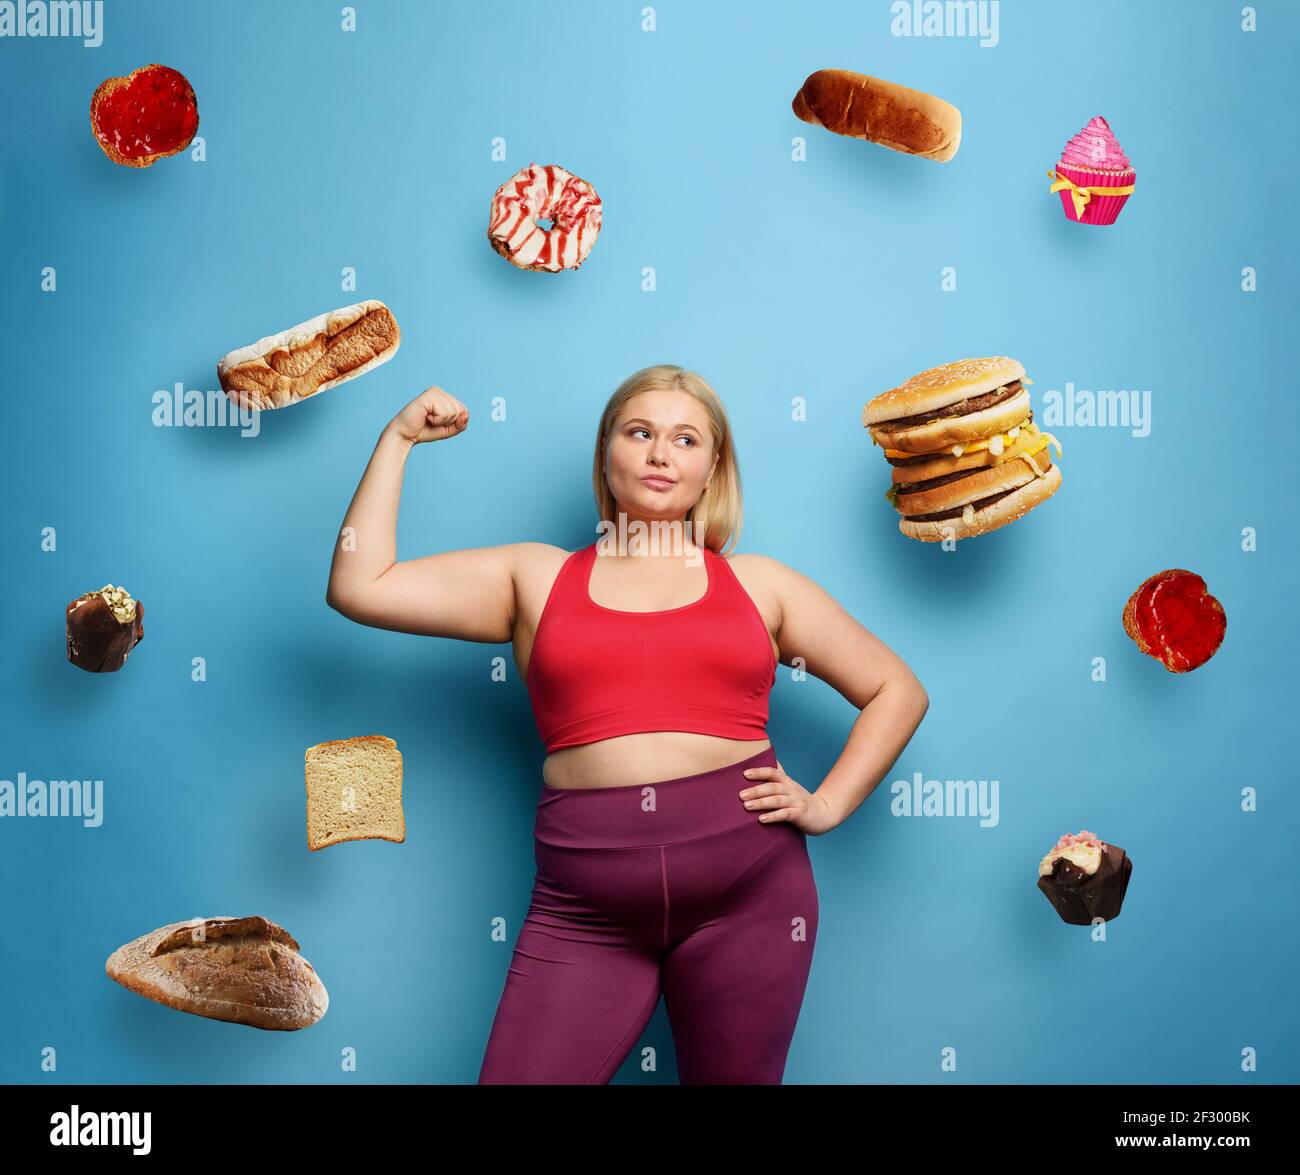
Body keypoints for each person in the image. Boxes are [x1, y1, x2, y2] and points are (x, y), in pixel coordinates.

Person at [326, 363, 930, 1084]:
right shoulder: (535, 576)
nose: (659, 453)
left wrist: (825, 803)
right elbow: (359, 585)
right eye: (639, 432)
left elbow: (897, 688)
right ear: (606, 452)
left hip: (751, 896)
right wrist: (397, 439)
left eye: (685, 439)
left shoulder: (760, 583)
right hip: (583, 910)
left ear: (712, 470)